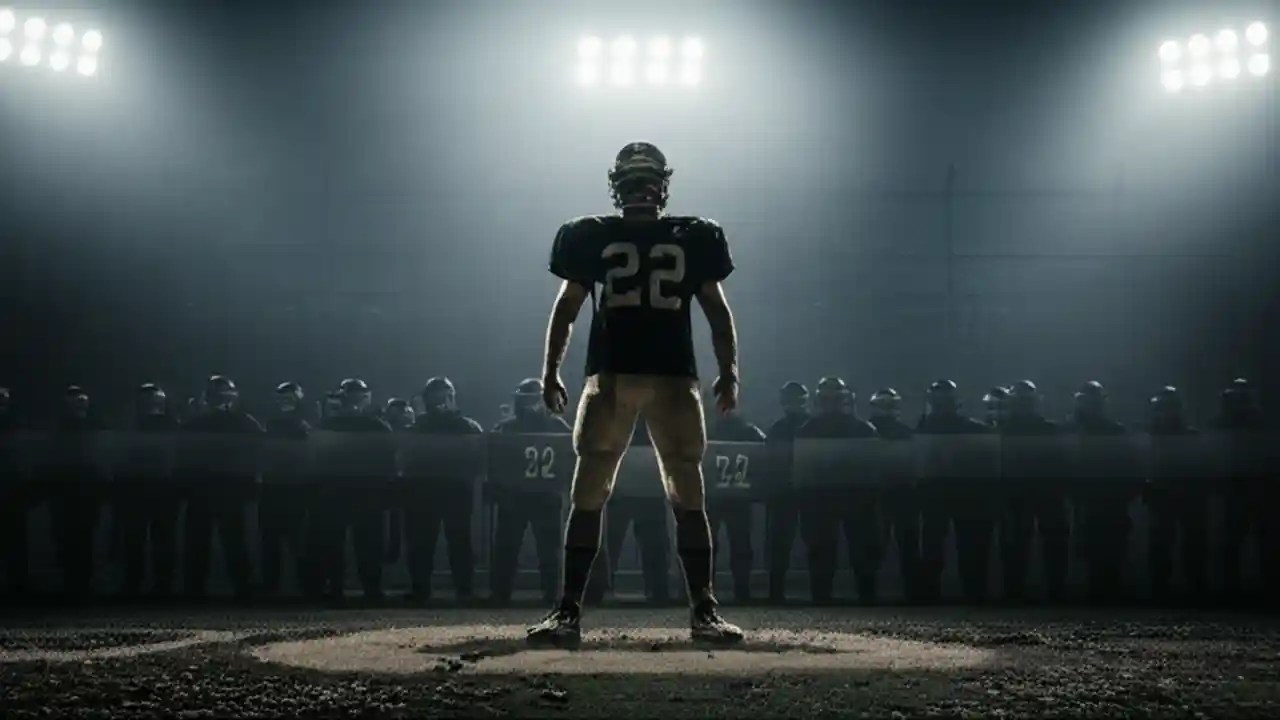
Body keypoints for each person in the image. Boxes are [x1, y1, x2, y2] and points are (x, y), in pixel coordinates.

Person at [528, 141, 744, 648]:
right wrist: (729, 371)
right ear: (663, 185)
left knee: (591, 490)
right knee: (686, 490)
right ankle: (703, 610)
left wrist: (550, 371)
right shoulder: (694, 235)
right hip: (671, 377)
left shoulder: (590, 234)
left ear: (616, 183)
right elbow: (717, 312)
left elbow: (567, 308)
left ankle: (569, 611)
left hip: (614, 376)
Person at [796, 377, 880, 604]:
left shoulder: (809, 430)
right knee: (824, 548)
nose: (831, 405)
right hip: (827, 498)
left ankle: (856, 593)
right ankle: (832, 594)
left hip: (850, 497)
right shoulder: (861, 429)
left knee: (858, 547)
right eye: (828, 400)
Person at [490, 378, 572, 606]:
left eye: (534, 401)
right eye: (525, 401)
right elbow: (494, 459)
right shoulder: (509, 427)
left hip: (545, 496)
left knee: (549, 548)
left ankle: (551, 592)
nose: (530, 406)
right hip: (516, 496)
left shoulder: (556, 426)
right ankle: (502, 592)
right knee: (508, 546)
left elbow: (571, 456)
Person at [406, 376, 484, 604]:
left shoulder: (466, 426)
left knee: (458, 542)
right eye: (437, 396)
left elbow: (480, 457)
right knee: (424, 543)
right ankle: (423, 589)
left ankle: (462, 589)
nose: (441, 401)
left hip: (454, 493)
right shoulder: (419, 427)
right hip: (426, 493)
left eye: (445, 396)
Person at [764, 381, 810, 604]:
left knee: (816, 542)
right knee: (780, 544)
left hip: (806, 493)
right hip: (784, 493)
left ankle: (818, 590)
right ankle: (776, 591)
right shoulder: (782, 428)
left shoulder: (807, 427)